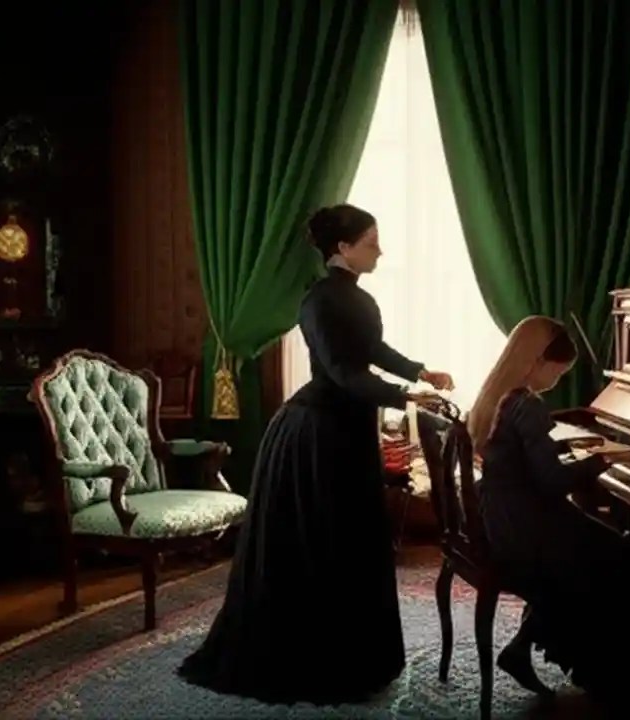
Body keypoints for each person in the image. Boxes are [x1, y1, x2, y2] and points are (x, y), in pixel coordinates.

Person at [177, 204, 454, 704]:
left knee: (352, 541)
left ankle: (358, 656)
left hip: (345, 430)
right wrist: (405, 397)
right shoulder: (319, 301)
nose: (380, 250)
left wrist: (420, 371)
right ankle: (319, 659)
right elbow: (344, 372)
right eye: (371, 241)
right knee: (326, 540)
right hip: (316, 435)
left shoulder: (355, 299)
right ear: (342, 248)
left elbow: (372, 350)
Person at [467, 315, 630, 709]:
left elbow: (519, 457)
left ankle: (569, 654)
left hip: (502, 517)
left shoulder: (497, 394)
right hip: (526, 528)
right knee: (625, 555)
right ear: (537, 361)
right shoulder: (526, 403)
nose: (556, 383)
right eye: (557, 374)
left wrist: (566, 450)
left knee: (605, 544)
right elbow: (554, 483)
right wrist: (605, 461)